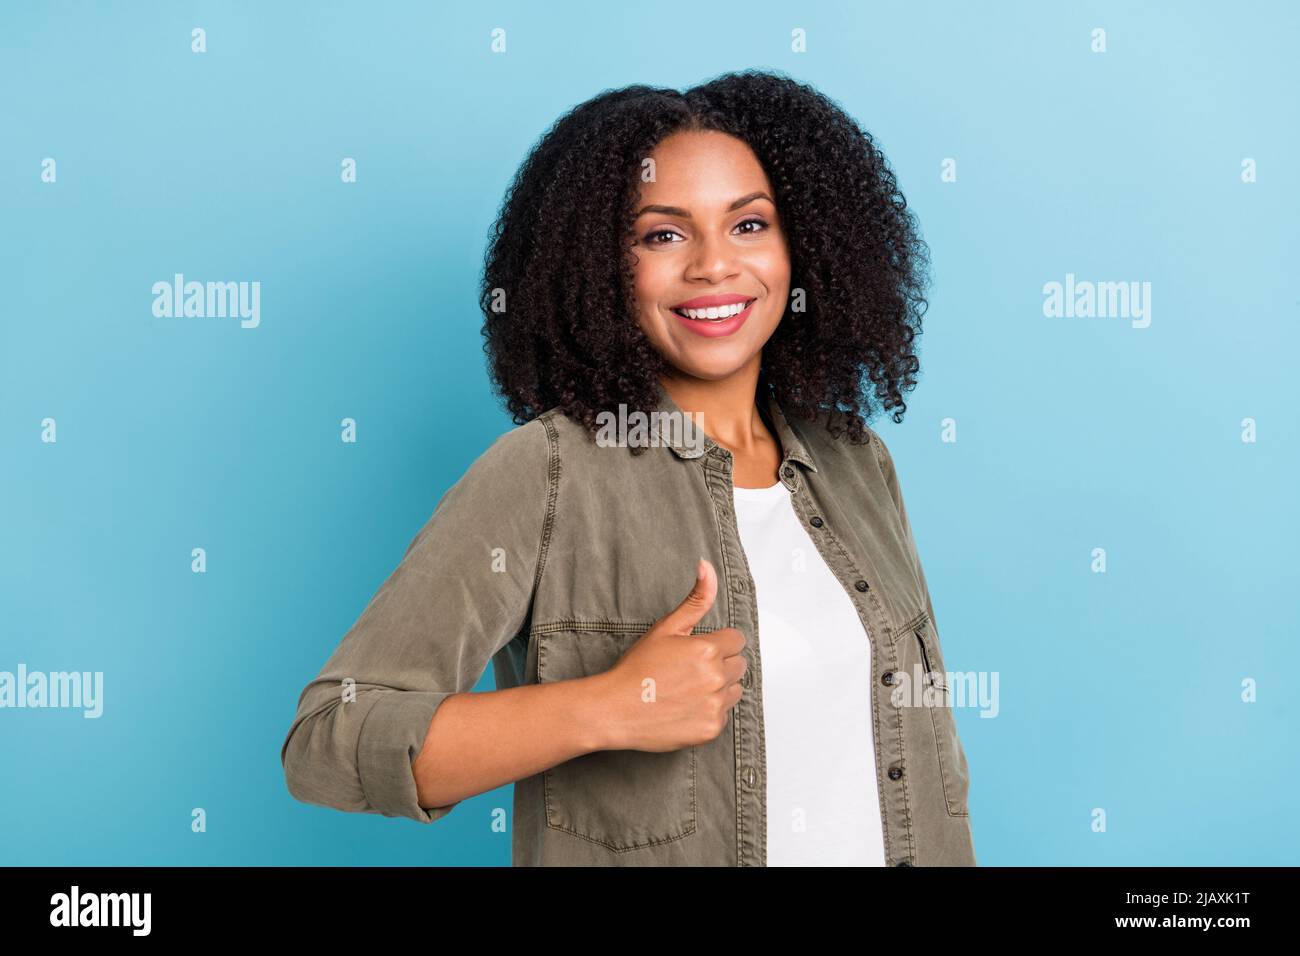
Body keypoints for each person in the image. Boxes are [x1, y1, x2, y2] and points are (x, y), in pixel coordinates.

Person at [281, 68, 975, 867]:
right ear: (600, 270)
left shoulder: (856, 463)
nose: (715, 266)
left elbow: (934, 769)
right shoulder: (546, 472)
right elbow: (328, 741)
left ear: (805, 244)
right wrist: (607, 707)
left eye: (749, 225)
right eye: (663, 235)